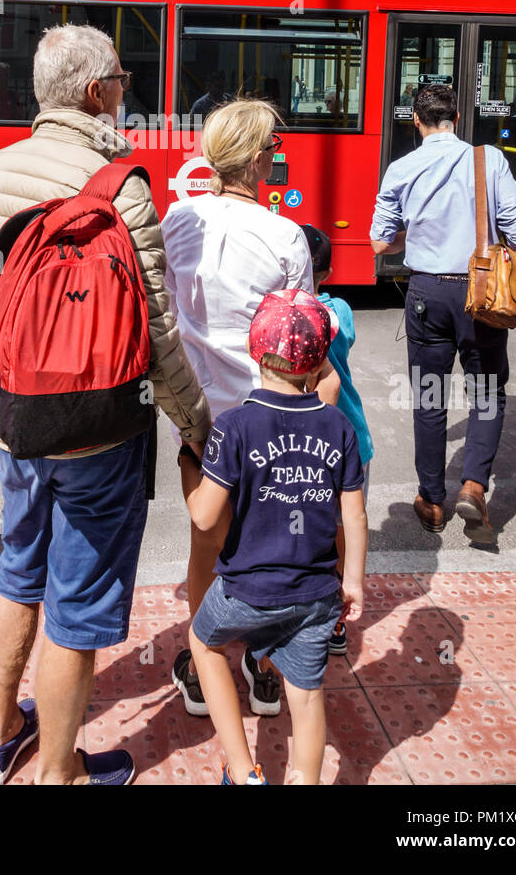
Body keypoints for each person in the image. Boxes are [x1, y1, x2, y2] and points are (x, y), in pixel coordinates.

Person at [0, 23, 210, 786]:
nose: (126, 90)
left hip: (16, 420)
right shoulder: (121, 187)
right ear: (98, 92)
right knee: (80, 604)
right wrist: (199, 426)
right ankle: (60, 772)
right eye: (122, 78)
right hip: (100, 430)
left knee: (18, 567)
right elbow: (158, 334)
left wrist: (16, 357)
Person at [161, 99, 339, 719]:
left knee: (205, 539)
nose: (275, 156)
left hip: (199, 412)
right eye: (273, 147)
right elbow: (301, 334)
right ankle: (264, 666)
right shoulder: (285, 235)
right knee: (271, 542)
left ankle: (195, 661)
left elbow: (166, 309)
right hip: (270, 412)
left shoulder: (177, 219)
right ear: (260, 158)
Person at [181, 289, 367, 785]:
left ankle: (244, 772)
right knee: (306, 698)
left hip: (244, 589)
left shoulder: (233, 426)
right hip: (316, 593)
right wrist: (353, 582)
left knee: (205, 644)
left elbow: (203, 518)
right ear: (319, 362)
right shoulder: (338, 427)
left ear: (252, 349)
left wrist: (190, 470)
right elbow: (354, 515)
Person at [370, 83, 516, 543]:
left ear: (416, 121)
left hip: (426, 293)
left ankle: (431, 501)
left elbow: (380, 242)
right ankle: (474, 486)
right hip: (480, 294)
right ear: (457, 118)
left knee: (428, 396)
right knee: (487, 392)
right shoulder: (490, 159)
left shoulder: (401, 168)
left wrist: (416, 236)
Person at [301, 224, 374, 658]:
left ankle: (328, 619)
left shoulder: (324, 312)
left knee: (326, 531)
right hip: (348, 437)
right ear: (327, 272)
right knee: (339, 530)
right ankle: (331, 620)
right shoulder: (338, 306)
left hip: (332, 440)